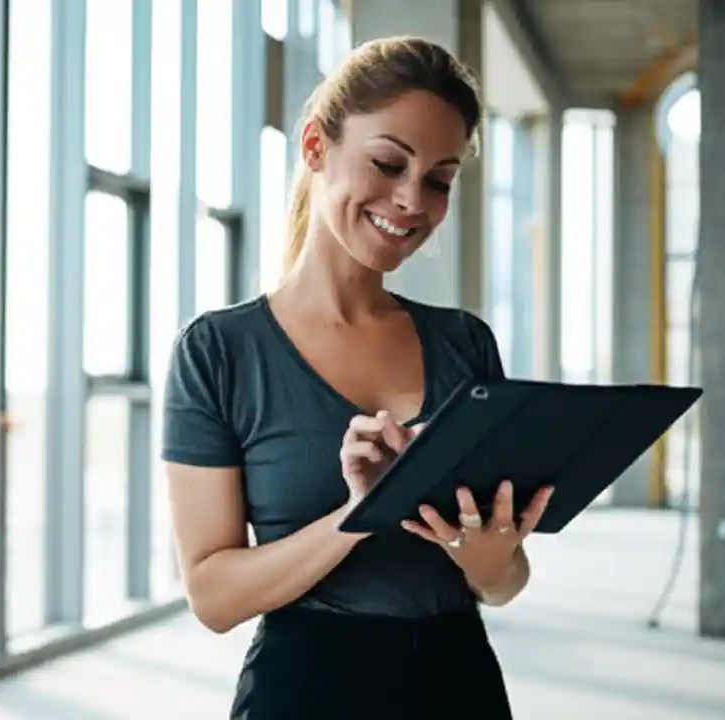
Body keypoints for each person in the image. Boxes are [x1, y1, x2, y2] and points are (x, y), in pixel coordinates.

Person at [161, 36, 556, 718]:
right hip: (305, 690)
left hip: (459, 688)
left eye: (439, 179)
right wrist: (360, 514)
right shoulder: (220, 352)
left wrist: (488, 555)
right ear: (316, 147)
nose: (412, 200)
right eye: (387, 163)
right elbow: (213, 596)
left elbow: (503, 583)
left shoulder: (465, 343)